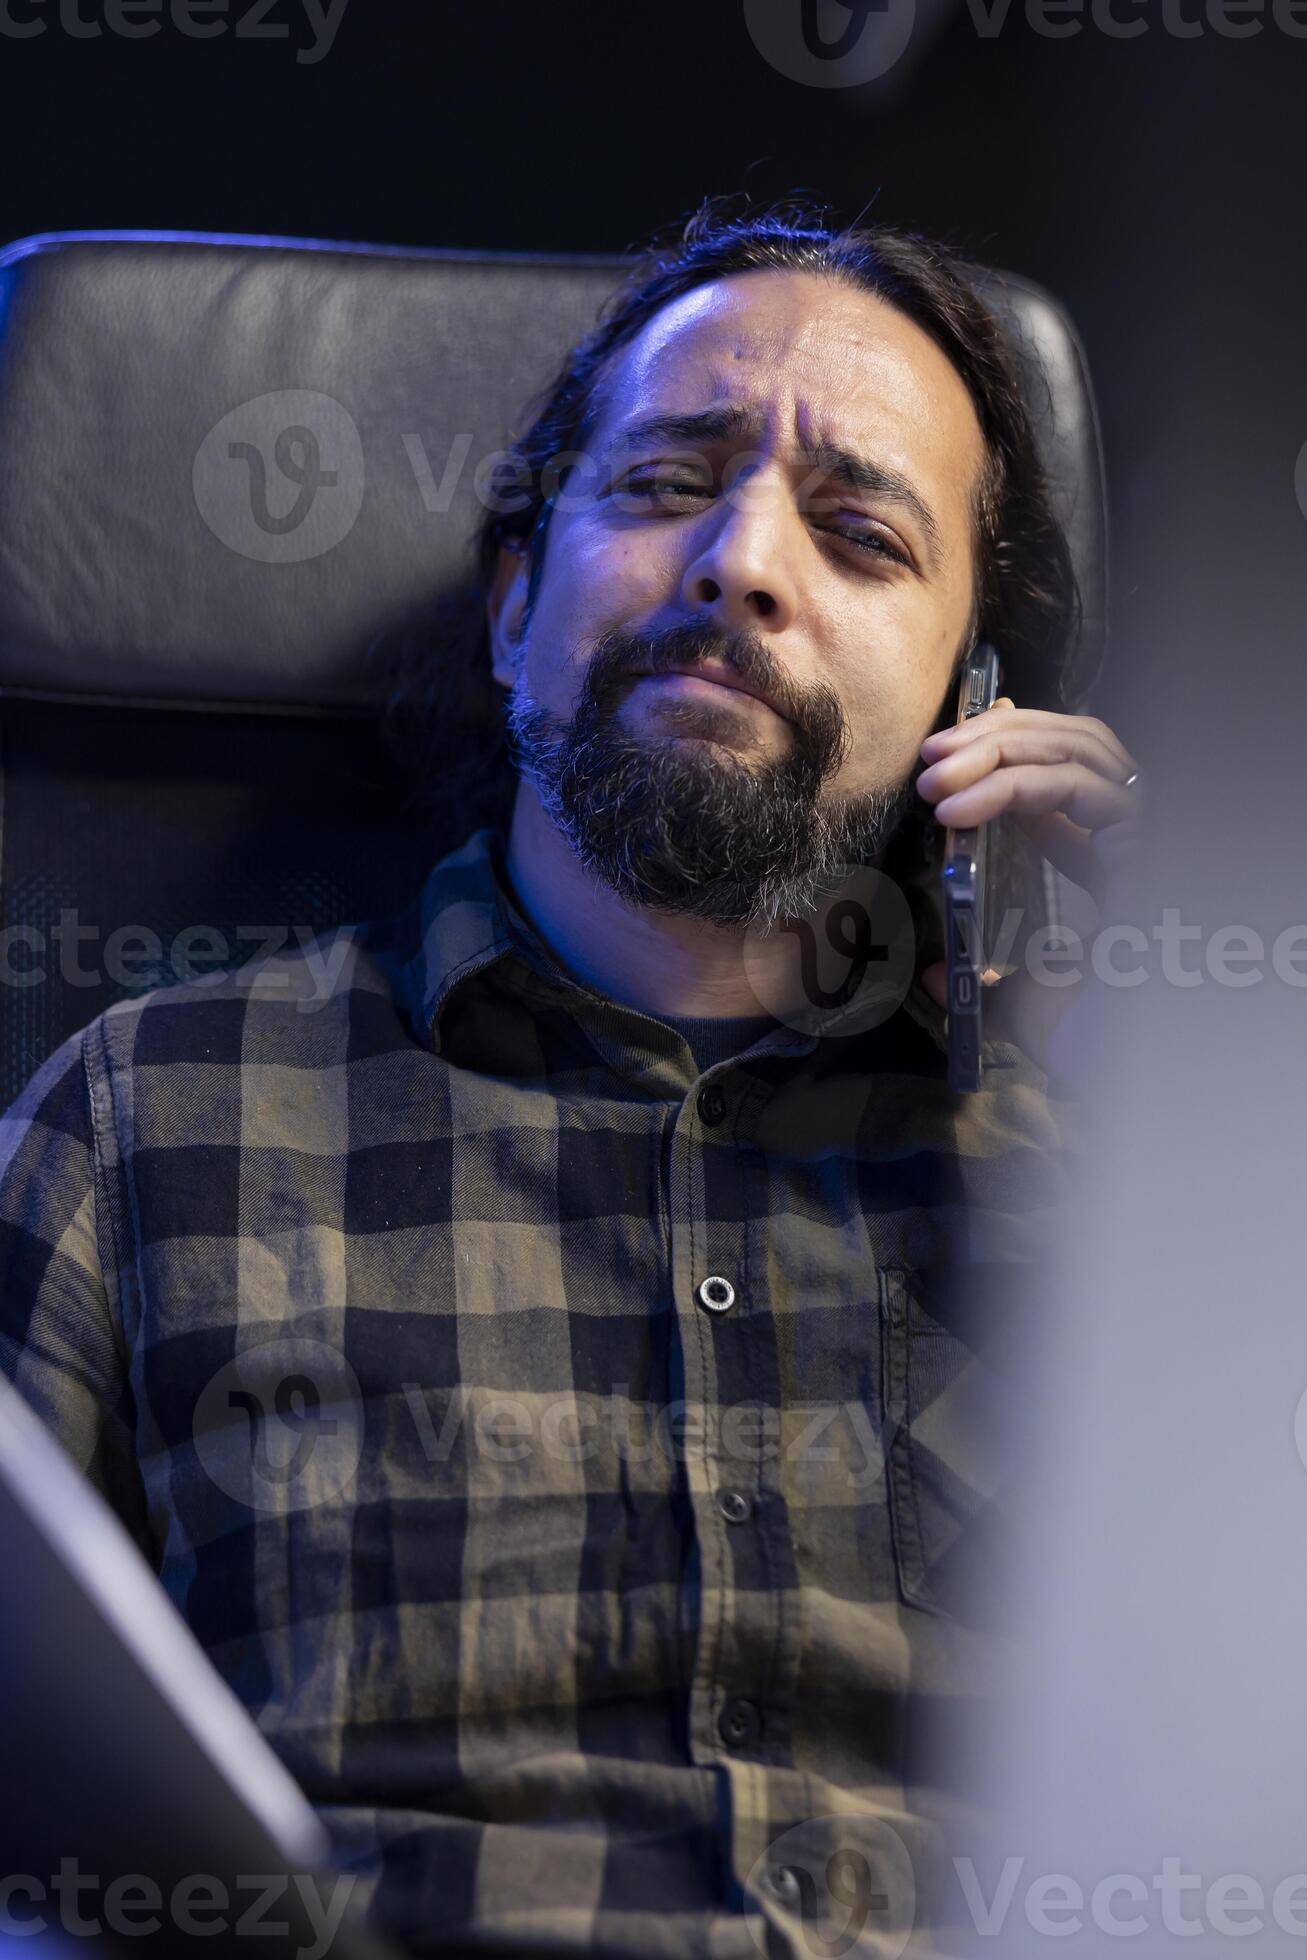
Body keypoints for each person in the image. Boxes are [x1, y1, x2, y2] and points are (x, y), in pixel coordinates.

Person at [0, 196, 1139, 1958]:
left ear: (971, 704)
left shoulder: (1141, 1171)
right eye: (667, 483)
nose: (742, 561)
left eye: (859, 534)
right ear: (516, 599)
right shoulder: (144, 1117)